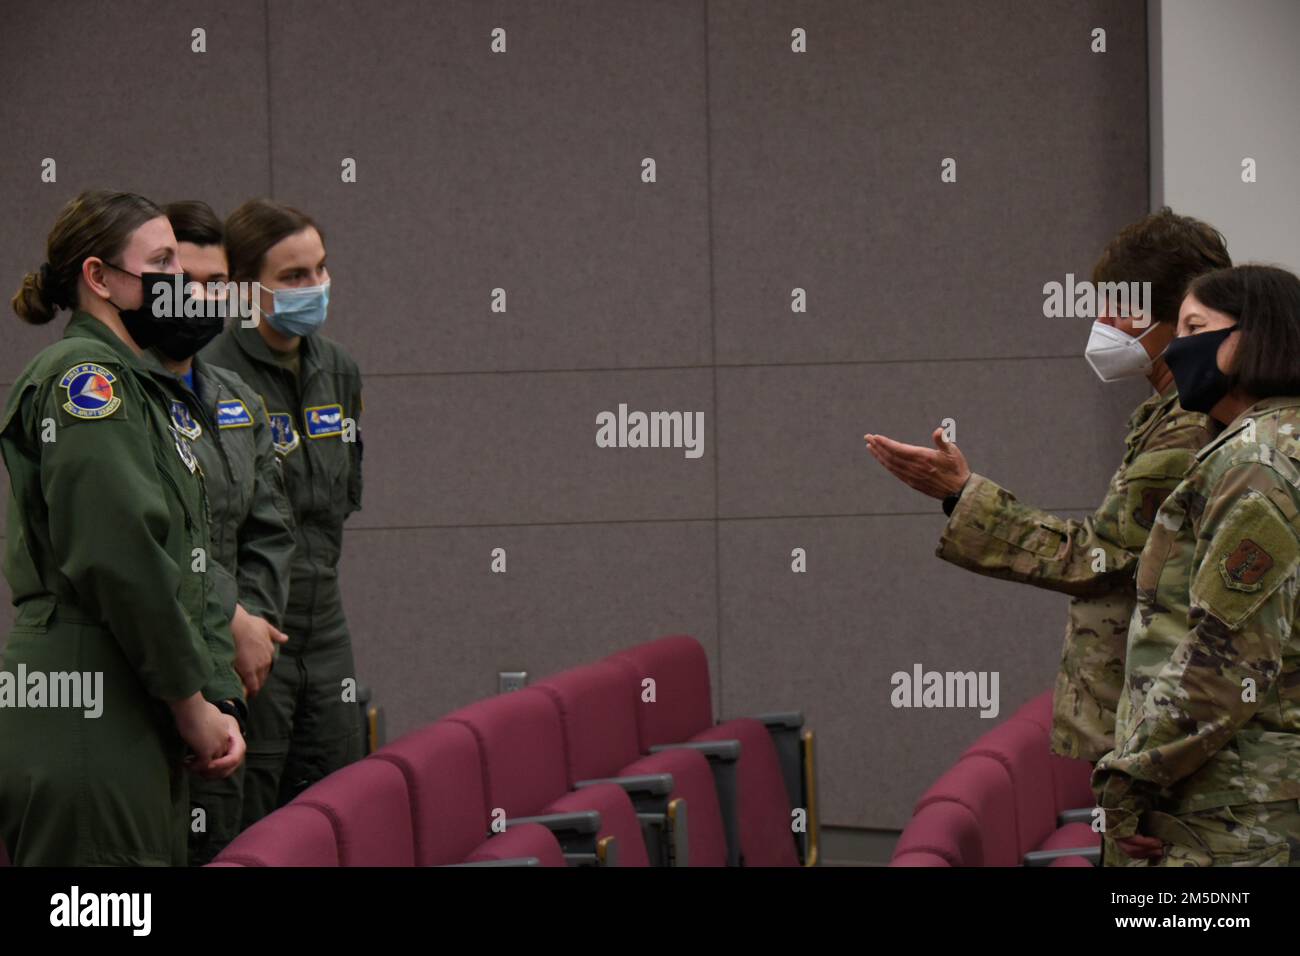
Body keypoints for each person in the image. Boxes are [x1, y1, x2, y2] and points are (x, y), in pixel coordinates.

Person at [864, 209, 1228, 763]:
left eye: (1118, 307)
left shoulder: (1187, 425)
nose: (1103, 322)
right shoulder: (1170, 413)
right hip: (1155, 725)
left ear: (1177, 319)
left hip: (1164, 732)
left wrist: (963, 495)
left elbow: (1100, 561)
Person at [0, 190, 244, 865]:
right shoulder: (89, 384)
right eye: (161, 261)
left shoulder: (133, 381)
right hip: (88, 695)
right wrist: (192, 705)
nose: (181, 282)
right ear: (99, 278)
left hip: (127, 693)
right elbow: (124, 559)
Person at [1094, 264, 1300, 866]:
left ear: (1252, 338)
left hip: (1230, 808)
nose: (1175, 348)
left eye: (1194, 327)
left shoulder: (1256, 461)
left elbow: (1225, 653)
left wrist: (1132, 782)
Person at [143, 200, 296, 864]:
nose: (200, 299)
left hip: (233, 678)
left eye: (215, 284)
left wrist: (253, 625)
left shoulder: (238, 398)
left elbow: (270, 527)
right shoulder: (119, 397)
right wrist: (228, 616)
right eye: (187, 283)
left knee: (232, 845)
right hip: (151, 677)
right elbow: (140, 545)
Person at [202, 198, 364, 825]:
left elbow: (336, 503)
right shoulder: (210, 374)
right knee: (251, 809)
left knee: (337, 803)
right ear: (245, 289)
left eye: (319, 270)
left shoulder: (339, 369)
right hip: (252, 626)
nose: (314, 288)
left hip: (326, 626)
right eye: (293, 277)